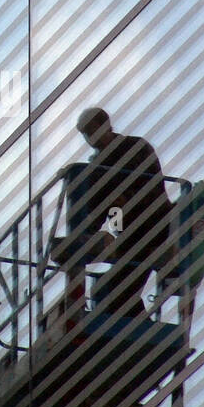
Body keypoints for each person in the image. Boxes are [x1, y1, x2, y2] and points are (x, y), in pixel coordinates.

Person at [76, 107, 174, 320]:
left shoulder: (135, 148)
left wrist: (123, 199)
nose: (89, 139)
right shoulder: (97, 167)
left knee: (112, 292)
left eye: (91, 131)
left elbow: (150, 188)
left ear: (105, 126)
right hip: (131, 236)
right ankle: (142, 331)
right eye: (85, 134)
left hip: (152, 229)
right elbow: (98, 208)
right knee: (107, 291)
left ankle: (144, 334)